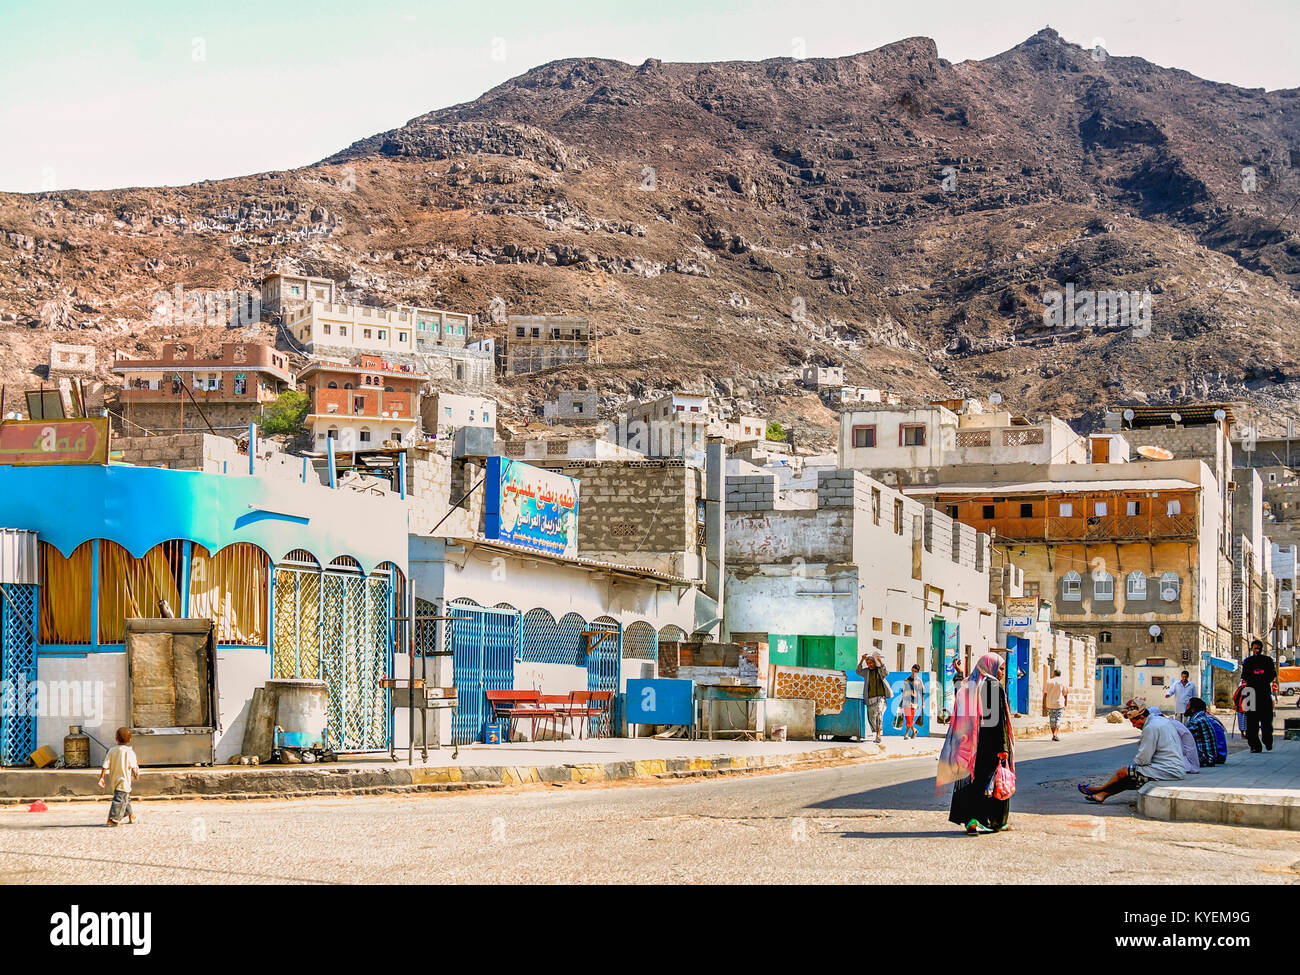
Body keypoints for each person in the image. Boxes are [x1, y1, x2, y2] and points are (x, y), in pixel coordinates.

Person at [938, 652, 1015, 834]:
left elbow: (959, 689)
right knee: (990, 783)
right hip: (988, 744)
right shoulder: (993, 686)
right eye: (1001, 668)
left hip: (967, 745)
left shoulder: (970, 684)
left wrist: (958, 673)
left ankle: (971, 821)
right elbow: (998, 720)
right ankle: (995, 821)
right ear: (991, 667)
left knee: (971, 781)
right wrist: (1003, 747)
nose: (1002, 672)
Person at [1077, 700, 1185, 802]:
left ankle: (1099, 789)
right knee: (1132, 776)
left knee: (1124, 772)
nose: (1134, 725)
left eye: (1134, 721)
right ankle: (1102, 795)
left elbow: (1143, 758)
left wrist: (1136, 767)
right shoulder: (1159, 720)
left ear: (1142, 717)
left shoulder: (1151, 727)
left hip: (1169, 769)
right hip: (1175, 767)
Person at [1240, 639, 1278, 752]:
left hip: (1264, 693)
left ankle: (1267, 740)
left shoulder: (1268, 660)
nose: (1256, 650)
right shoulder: (1247, 661)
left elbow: (1272, 675)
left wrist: (1262, 681)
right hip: (1251, 694)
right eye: (1255, 648)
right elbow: (1244, 677)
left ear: (1261, 649)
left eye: (1258, 648)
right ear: (1251, 649)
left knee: (1266, 721)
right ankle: (1255, 745)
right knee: (1251, 723)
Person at [97, 726, 140, 827]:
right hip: (124, 781)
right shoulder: (130, 752)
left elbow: (105, 765)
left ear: (116, 738)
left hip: (114, 780)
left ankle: (131, 816)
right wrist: (136, 773)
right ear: (130, 740)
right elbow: (134, 766)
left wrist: (101, 778)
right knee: (119, 800)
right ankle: (112, 820)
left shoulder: (111, 751)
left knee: (125, 798)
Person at [857, 651, 893, 744]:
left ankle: (878, 734)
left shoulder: (879, 670)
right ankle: (877, 732)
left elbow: (886, 673)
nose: (869, 665)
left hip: (880, 697)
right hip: (870, 698)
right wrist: (861, 660)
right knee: (871, 718)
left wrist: (880, 662)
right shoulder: (866, 672)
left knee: (879, 715)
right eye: (868, 663)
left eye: (871, 662)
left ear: (874, 662)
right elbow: (858, 671)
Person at [1185, 697, 1228, 767]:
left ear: (1192, 709)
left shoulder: (1197, 721)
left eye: (1187, 706)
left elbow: (1183, 737)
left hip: (1206, 759)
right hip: (1212, 757)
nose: (1186, 708)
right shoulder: (1203, 718)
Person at [1043, 668, 1068, 741]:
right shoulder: (1062, 682)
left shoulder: (1049, 681)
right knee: (1057, 719)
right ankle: (1055, 734)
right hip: (1059, 703)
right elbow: (1065, 693)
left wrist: (1043, 704)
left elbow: (1045, 694)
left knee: (1052, 719)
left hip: (1050, 703)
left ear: (1054, 673)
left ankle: (1054, 734)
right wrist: (1066, 701)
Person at [901, 664, 926, 739]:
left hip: (914, 702)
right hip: (906, 701)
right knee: (908, 718)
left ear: (918, 672)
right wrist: (900, 702)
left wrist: (923, 703)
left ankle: (906, 734)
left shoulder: (919, 681)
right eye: (913, 670)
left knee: (910, 718)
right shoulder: (906, 679)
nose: (913, 672)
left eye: (915, 671)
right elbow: (903, 691)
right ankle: (914, 730)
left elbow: (922, 692)